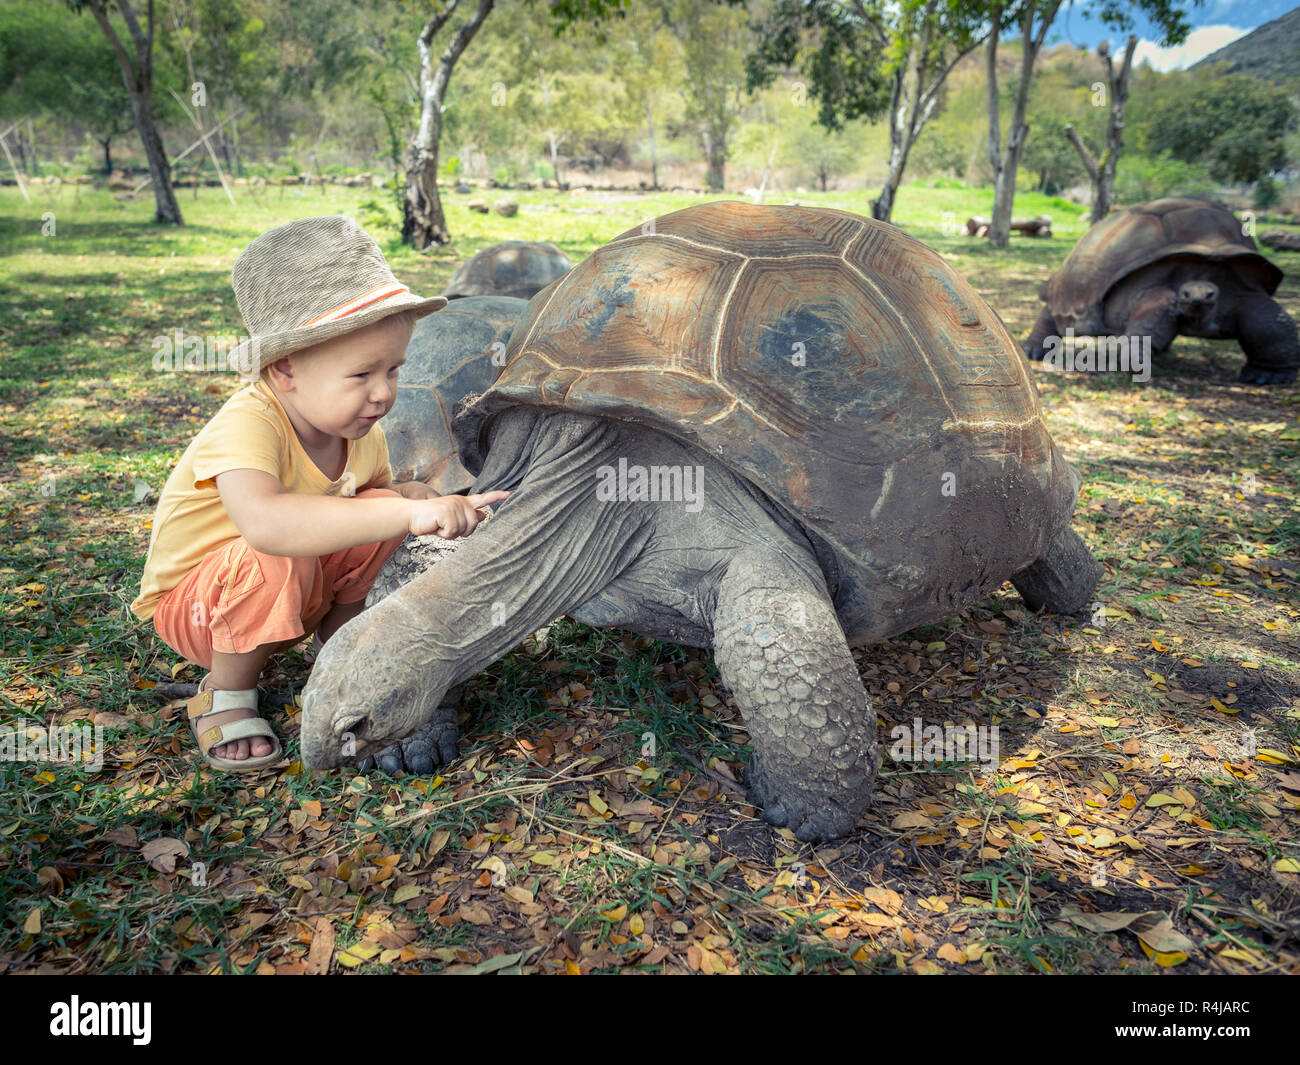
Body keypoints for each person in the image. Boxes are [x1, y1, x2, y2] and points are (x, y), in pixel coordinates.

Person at [129, 215, 508, 771]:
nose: (383, 393)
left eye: (395, 371)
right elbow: (267, 525)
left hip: (287, 594)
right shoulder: (247, 425)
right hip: (201, 608)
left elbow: (373, 509)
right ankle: (224, 693)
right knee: (293, 545)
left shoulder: (361, 432)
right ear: (285, 370)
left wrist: (415, 497)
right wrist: (404, 513)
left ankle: (340, 654)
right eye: (361, 375)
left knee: (381, 511)